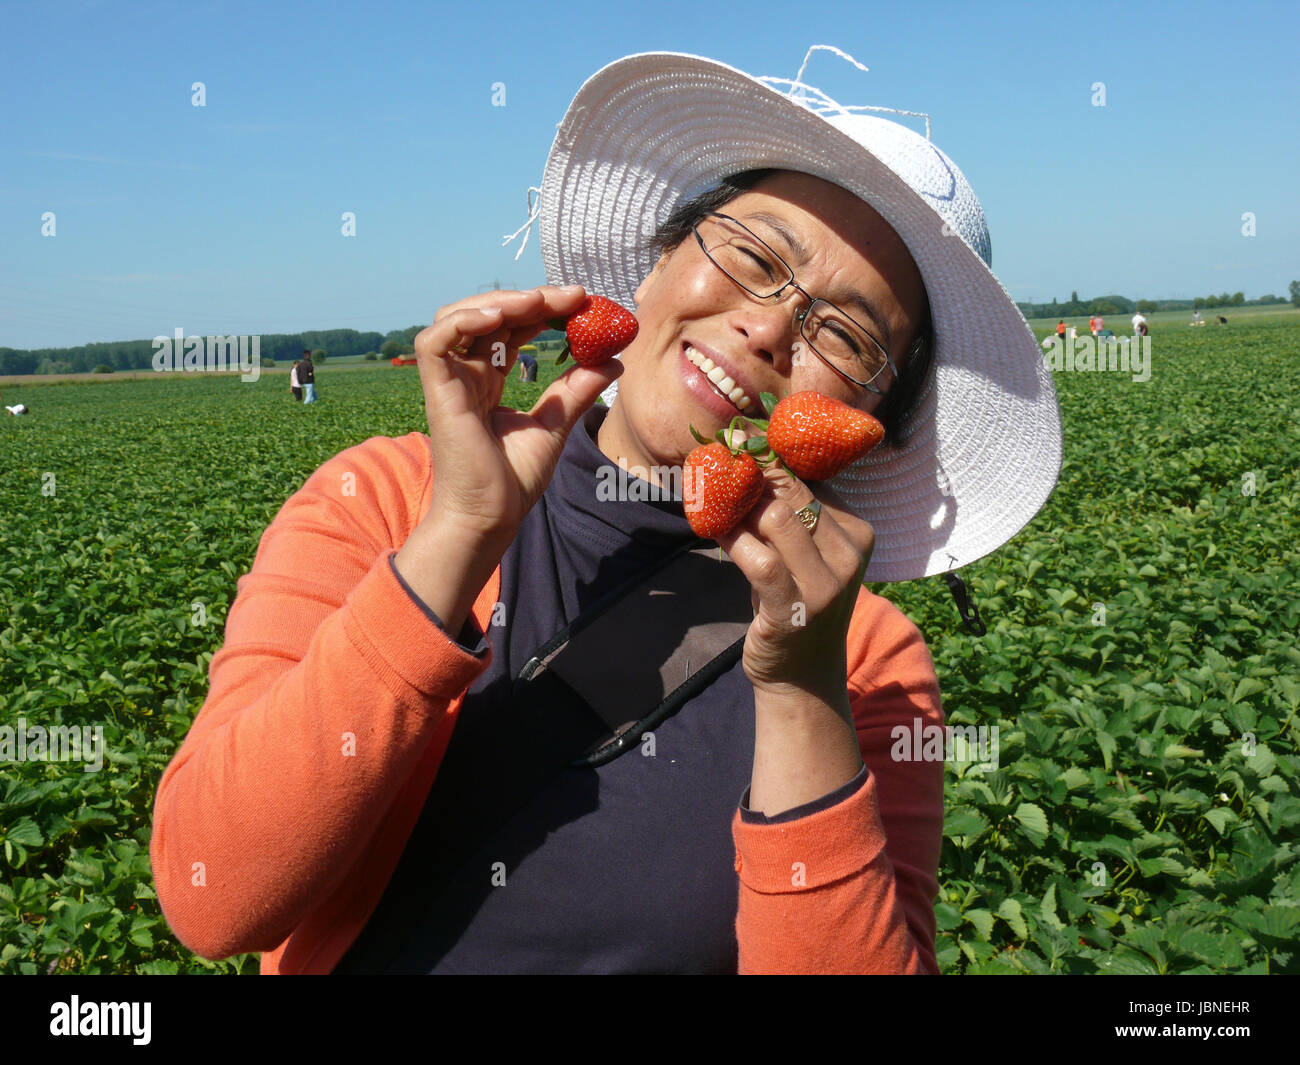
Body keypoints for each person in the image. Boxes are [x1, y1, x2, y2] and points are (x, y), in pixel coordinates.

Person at [150, 48, 1061, 974]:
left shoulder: (865, 661)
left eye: (847, 334)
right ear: (665, 257)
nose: (771, 327)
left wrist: (800, 694)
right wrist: (459, 534)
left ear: (869, 421)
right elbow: (211, 890)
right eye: (753, 256)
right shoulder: (384, 499)